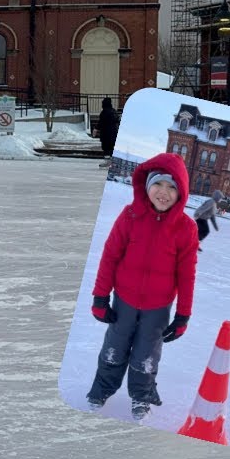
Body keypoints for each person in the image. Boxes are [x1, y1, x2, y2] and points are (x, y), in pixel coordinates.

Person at [86, 152, 199, 421]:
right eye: (158, 184)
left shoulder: (186, 228)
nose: (164, 192)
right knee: (114, 348)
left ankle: (141, 396)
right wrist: (100, 297)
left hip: (157, 308)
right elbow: (110, 256)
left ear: (181, 193)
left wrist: (183, 315)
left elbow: (186, 275)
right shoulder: (130, 215)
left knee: (146, 357)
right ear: (147, 185)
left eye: (172, 187)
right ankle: (101, 390)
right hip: (123, 301)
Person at [97, 97, 121, 168]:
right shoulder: (113, 111)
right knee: (112, 147)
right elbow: (117, 120)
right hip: (114, 132)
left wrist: (96, 128)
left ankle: (108, 161)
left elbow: (101, 122)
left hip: (106, 133)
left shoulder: (104, 112)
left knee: (106, 147)